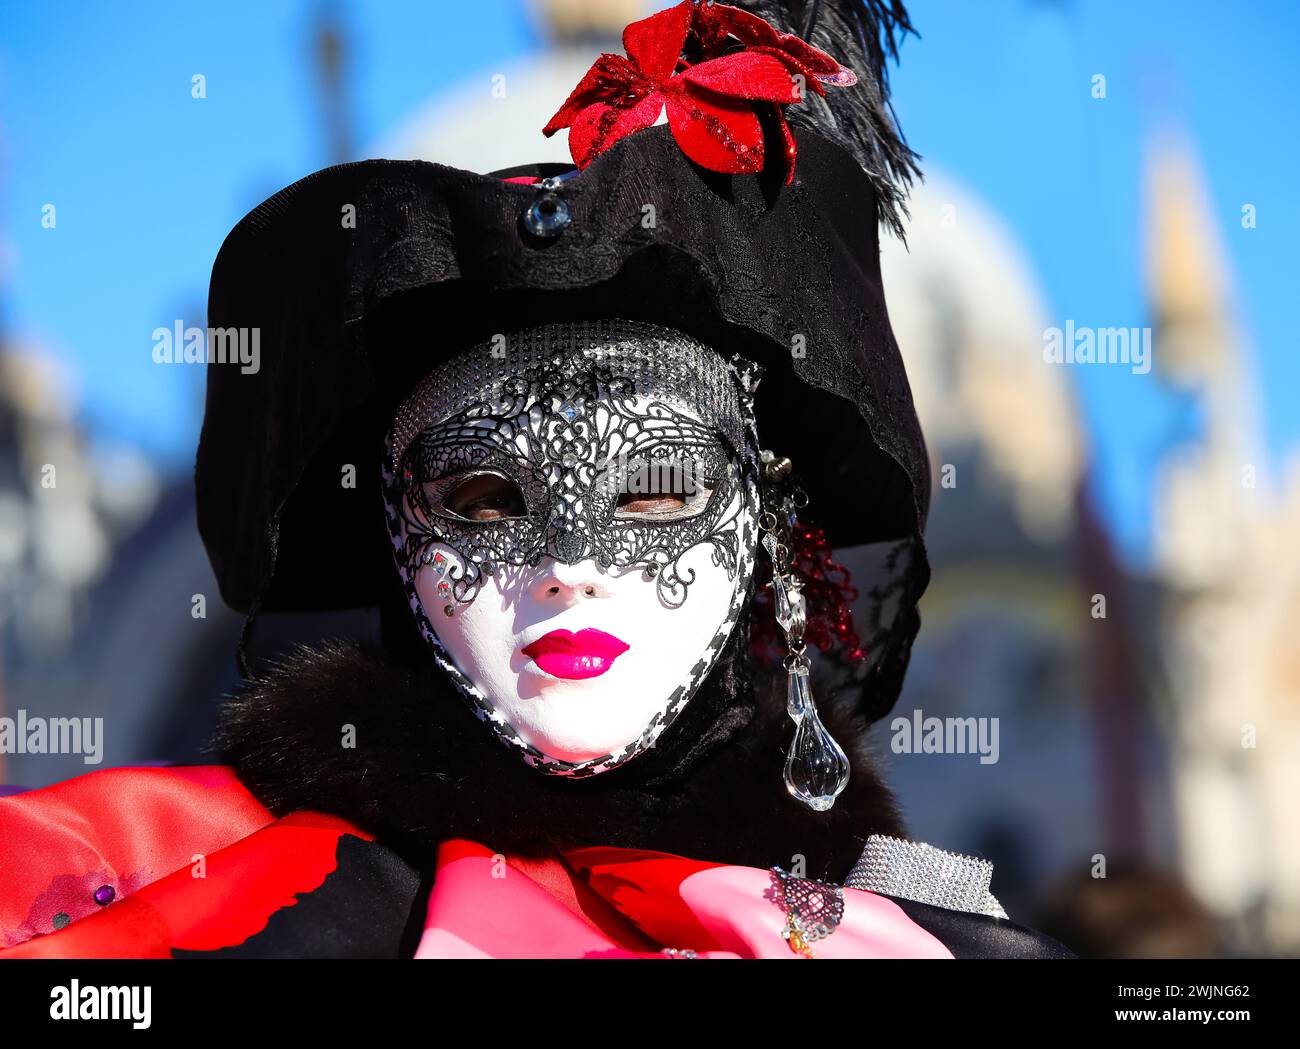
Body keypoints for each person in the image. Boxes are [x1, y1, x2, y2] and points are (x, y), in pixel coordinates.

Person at [0, 0, 1069, 959]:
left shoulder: (927, 933)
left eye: (654, 486)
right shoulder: (169, 904)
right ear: (389, 537)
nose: (571, 566)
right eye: (483, 499)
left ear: (767, 528)